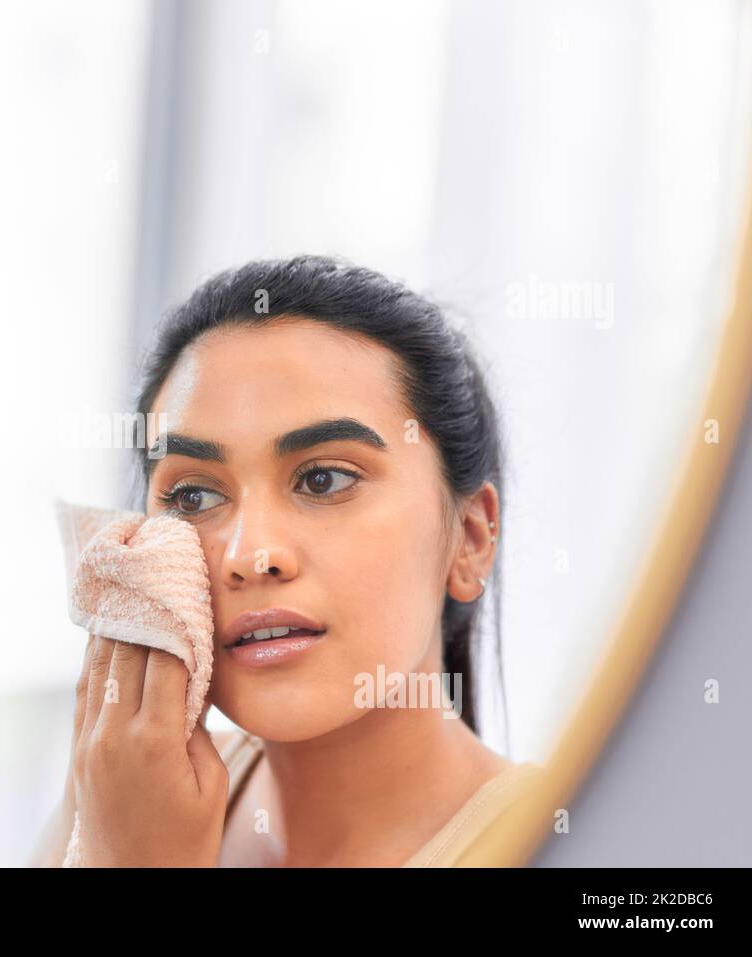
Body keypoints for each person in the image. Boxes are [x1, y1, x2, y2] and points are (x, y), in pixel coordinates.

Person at [30, 254, 545, 867]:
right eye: (194, 496)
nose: (251, 556)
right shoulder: (123, 805)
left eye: (324, 480)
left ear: (470, 537)